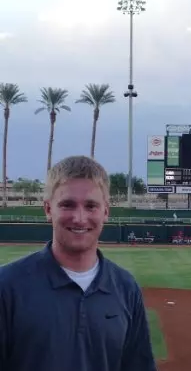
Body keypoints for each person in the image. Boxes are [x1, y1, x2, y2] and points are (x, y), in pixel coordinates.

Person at [0, 155, 157, 371]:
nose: (80, 218)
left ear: (106, 212)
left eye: (91, 206)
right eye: (67, 205)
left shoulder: (125, 287)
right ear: (48, 209)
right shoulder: (7, 286)